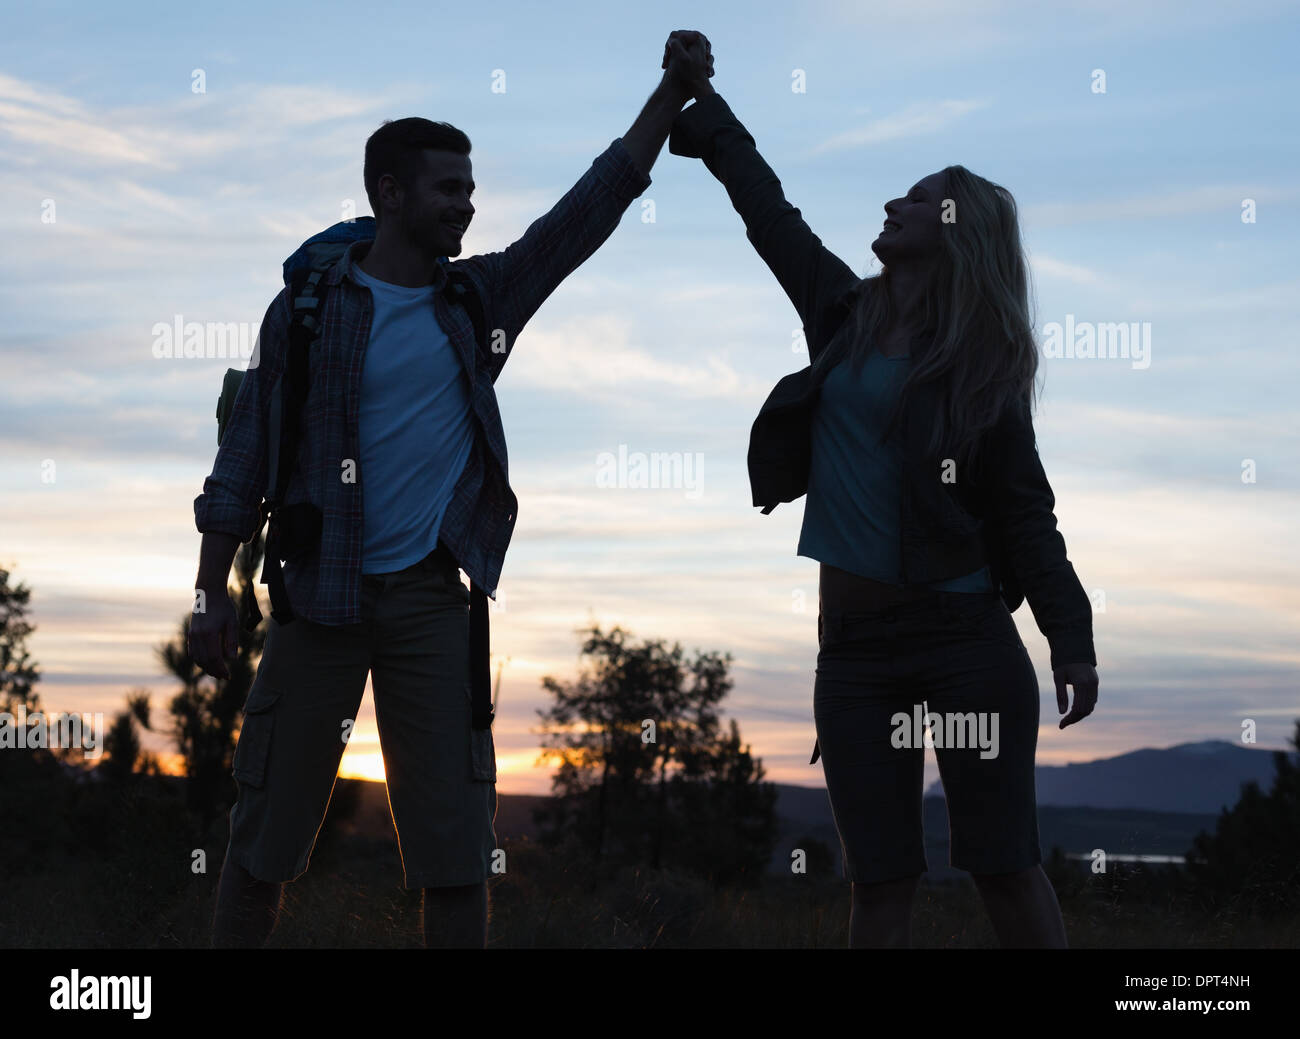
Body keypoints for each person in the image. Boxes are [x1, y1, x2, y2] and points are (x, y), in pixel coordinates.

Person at [189, 30, 715, 949]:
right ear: (388, 193)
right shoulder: (308, 314)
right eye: (447, 189)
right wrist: (207, 594)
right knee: (263, 839)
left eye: (471, 190)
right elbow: (242, 461)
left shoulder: (478, 303)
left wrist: (668, 95)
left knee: (457, 855)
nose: (465, 207)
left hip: (435, 602)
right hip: (317, 601)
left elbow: (588, 211)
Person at [665, 34, 1099, 948]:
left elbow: (1026, 512)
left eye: (918, 198)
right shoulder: (841, 312)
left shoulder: (980, 367)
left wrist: (1071, 635)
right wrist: (699, 108)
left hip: (964, 642)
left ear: (954, 233)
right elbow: (769, 215)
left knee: (1002, 865)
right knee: (879, 882)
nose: (894, 202)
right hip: (855, 654)